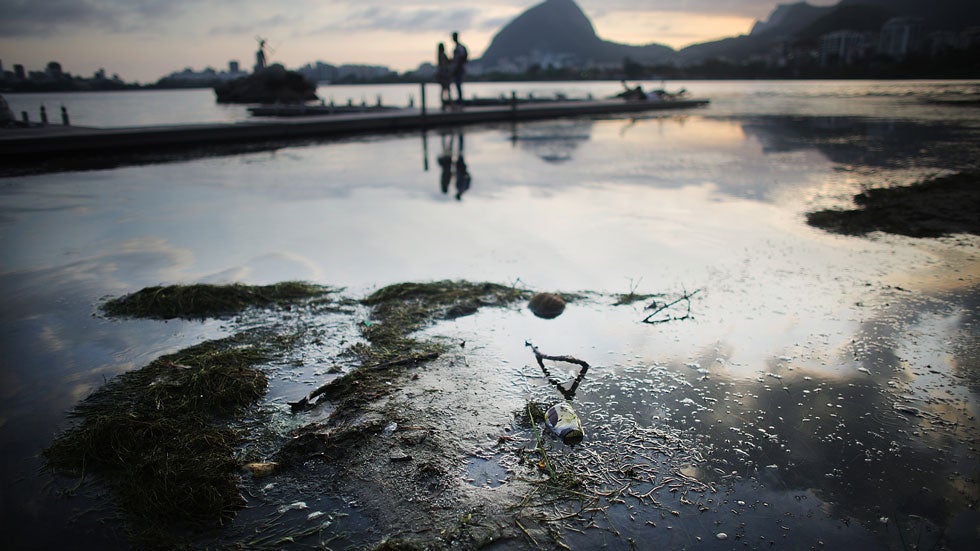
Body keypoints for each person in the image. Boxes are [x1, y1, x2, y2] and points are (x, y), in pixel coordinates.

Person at [450, 32, 468, 107]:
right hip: (457, 69)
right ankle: (460, 101)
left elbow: (461, 58)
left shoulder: (459, 47)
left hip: (458, 69)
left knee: (458, 85)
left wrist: (457, 68)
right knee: (458, 85)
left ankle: (460, 102)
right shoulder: (458, 47)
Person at [435, 43, 452, 109]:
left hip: (442, 74)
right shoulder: (442, 55)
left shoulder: (439, 55)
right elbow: (445, 64)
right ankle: (449, 103)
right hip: (444, 74)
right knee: (447, 89)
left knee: (443, 90)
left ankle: (444, 104)